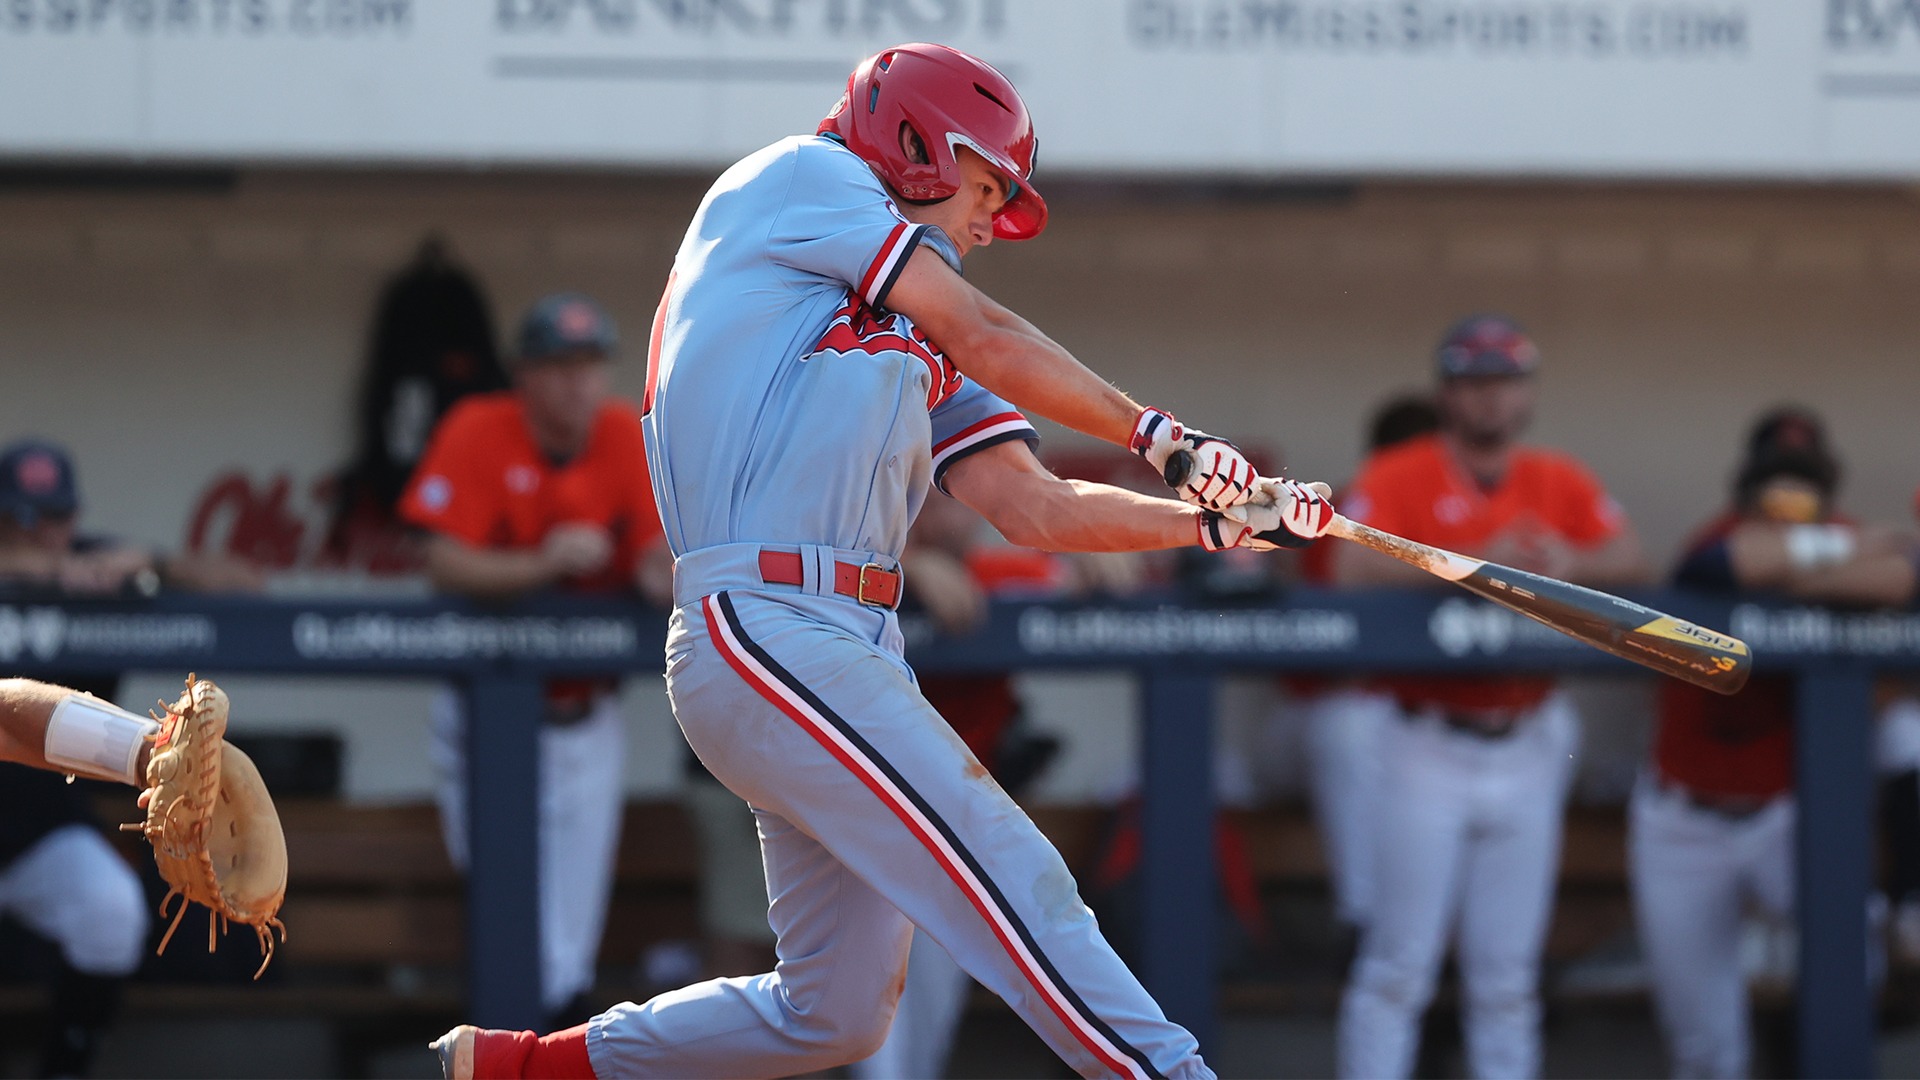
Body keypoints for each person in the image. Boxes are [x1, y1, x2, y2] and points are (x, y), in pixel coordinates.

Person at [433, 42, 1335, 1080]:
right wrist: (1166, 439)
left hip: (841, 639)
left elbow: (1032, 508)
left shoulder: (911, 327)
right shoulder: (801, 179)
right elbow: (987, 330)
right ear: (913, 143)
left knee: (837, 1012)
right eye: (984, 186)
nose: (991, 222)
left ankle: (518, 1070)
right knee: (1010, 867)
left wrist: (1217, 524)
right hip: (764, 615)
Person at [1333, 314, 1645, 1080]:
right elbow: (1352, 569)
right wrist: (1473, 563)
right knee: (1398, 967)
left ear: (1526, 391)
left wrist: (1570, 558)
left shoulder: (1557, 478)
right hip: (1426, 738)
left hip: (1530, 733)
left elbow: (1634, 556)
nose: (1490, 401)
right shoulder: (1401, 472)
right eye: (1474, 383)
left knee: (1505, 981)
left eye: (1504, 382)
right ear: (1447, 391)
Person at [399, 293, 671, 1029]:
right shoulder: (479, 429)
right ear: (524, 373)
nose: (578, 383)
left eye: (589, 365)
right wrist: (541, 563)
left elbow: (657, 554)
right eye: (558, 366)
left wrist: (659, 572)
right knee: (513, 924)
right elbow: (442, 561)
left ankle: (537, 1053)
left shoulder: (623, 433)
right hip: (484, 720)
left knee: (567, 949)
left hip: (585, 718)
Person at [1633, 408, 1917, 1079]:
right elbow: (1715, 570)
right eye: (1775, 484)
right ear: (1746, 490)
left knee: (1853, 974)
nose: (1789, 497)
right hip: (1685, 818)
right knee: (1706, 1050)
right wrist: (1820, 578)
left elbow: (1905, 572)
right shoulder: (1718, 539)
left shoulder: (1847, 537)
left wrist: (1790, 575)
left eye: (1804, 483)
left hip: (1788, 815)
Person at [1290, 394, 1439, 946]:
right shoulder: (1332, 522)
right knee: (1355, 726)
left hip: (1423, 721)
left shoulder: (1458, 525)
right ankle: (1363, 921)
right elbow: (1316, 667)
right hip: (1326, 718)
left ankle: (1435, 934)